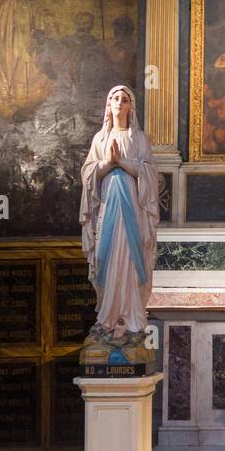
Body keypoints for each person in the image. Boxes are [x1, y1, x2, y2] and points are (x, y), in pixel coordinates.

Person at [79, 85, 159, 339]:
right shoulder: (100, 139)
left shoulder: (138, 139)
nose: (119, 103)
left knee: (131, 258)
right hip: (107, 209)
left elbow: (150, 174)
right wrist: (107, 163)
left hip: (132, 211)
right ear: (108, 104)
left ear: (130, 107)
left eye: (124, 100)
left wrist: (122, 162)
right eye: (114, 98)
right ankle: (108, 316)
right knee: (107, 257)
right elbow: (89, 174)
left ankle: (132, 316)